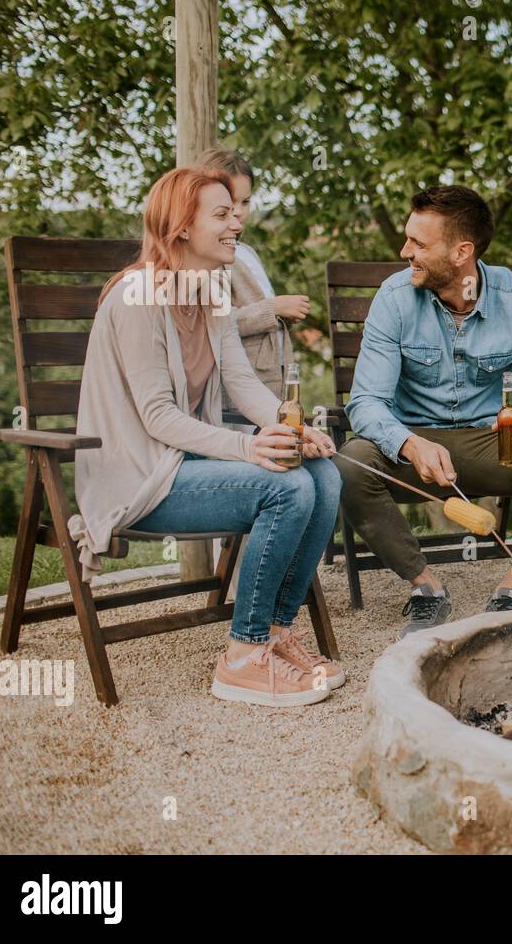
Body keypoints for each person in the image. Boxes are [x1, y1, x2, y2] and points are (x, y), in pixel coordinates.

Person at [70, 167, 343, 708]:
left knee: (324, 475)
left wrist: (293, 428)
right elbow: (158, 416)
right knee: (286, 487)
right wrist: (249, 447)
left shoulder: (212, 293)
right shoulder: (136, 299)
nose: (237, 223)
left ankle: (276, 635)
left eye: (235, 212)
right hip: (138, 477)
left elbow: (242, 384)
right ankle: (242, 656)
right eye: (221, 215)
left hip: (184, 464)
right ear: (180, 228)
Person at [336, 185, 512, 633]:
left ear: (462, 252)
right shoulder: (394, 298)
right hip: (414, 451)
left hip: (494, 447)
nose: (405, 252)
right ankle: (426, 588)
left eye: (418, 244)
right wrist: (409, 443)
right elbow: (365, 402)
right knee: (350, 462)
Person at [194, 147, 309, 405]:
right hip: (236, 394)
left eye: (244, 202)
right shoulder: (211, 259)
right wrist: (273, 308)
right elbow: (215, 322)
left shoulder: (246, 253)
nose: (238, 211)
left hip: (272, 382)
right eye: (229, 203)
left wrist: (282, 313)